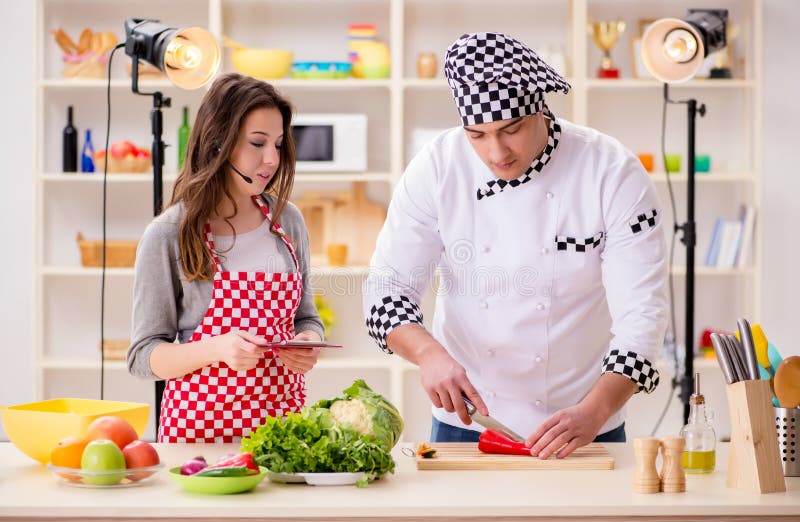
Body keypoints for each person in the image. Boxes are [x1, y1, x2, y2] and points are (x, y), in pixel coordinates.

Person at [363, 32, 668, 458]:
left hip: (585, 423)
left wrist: (597, 410)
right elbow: (386, 289)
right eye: (477, 135)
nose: (496, 152)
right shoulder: (437, 167)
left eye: (512, 130)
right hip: (468, 422)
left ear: (542, 109)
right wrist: (428, 353)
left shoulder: (610, 171)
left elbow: (643, 316)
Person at [127, 73, 325, 443]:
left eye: (279, 144)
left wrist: (308, 342)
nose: (271, 159)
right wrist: (218, 348)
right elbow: (142, 356)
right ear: (218, 143)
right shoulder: (169, 233)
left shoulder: (288, 220)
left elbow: (307, 317)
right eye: (257, 143)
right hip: (198, 439)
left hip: (281, 435)